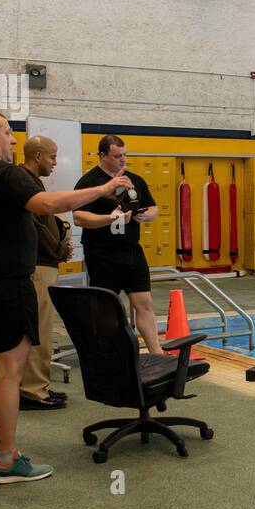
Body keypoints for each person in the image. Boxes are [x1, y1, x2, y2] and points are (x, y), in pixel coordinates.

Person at [0, 111, 131, 484]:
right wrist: (102, 190)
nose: (13, 141)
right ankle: (7, 461)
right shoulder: (6, 174)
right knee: (8, 376)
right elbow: (48, 205)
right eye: (8, 133)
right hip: (9, 288)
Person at [73, 135, 162, 354]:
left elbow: (153, 207)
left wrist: (147, 216)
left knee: (144, 303)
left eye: (125, 155)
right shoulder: (90, 182)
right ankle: (107, 354)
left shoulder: (135, 180)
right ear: (102, 156)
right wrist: (109, 219)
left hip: (132, 251)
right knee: (106, 309)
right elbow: (78, 217)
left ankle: (157, 353)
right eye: (117, 156)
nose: (123, 160)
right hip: (102, 254)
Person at [18, 135, 71, 411]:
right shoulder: (26, 182)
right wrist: (61, 250)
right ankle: (32, 390)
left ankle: (33, 385)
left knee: (38, 328)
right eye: (52, 156)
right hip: (40, 264)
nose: (54, 162)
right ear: (37, 156)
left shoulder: (30, 182)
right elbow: (36, 228)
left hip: (41, 262)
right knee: (39, 329)